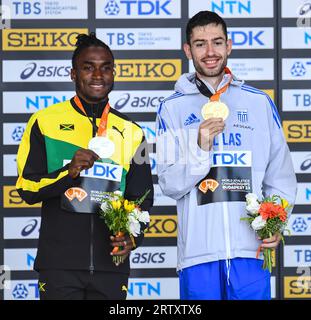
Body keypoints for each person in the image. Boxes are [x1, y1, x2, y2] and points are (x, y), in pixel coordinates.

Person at [156, 11, 297, 300]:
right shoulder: (172, 108)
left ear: (229, 46)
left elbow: (279, 176)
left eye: (217, 42)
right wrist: (200, 147)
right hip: (198, 257)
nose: (210, 52)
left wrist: (276, 223)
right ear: (187, 50)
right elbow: (170, 183)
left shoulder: (258, 102)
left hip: (251, 253)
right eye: (200, 44)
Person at [16, 33, 153, 300]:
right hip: (60, 266)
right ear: (73, 74)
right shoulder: (44, 121)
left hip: (111, 267)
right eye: (88, 67)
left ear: (114, 72)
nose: (98, 75)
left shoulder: (133, 132)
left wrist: (132, 239)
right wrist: (68, 173)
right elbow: (27, 188)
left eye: (105, 67)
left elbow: (141, 200)